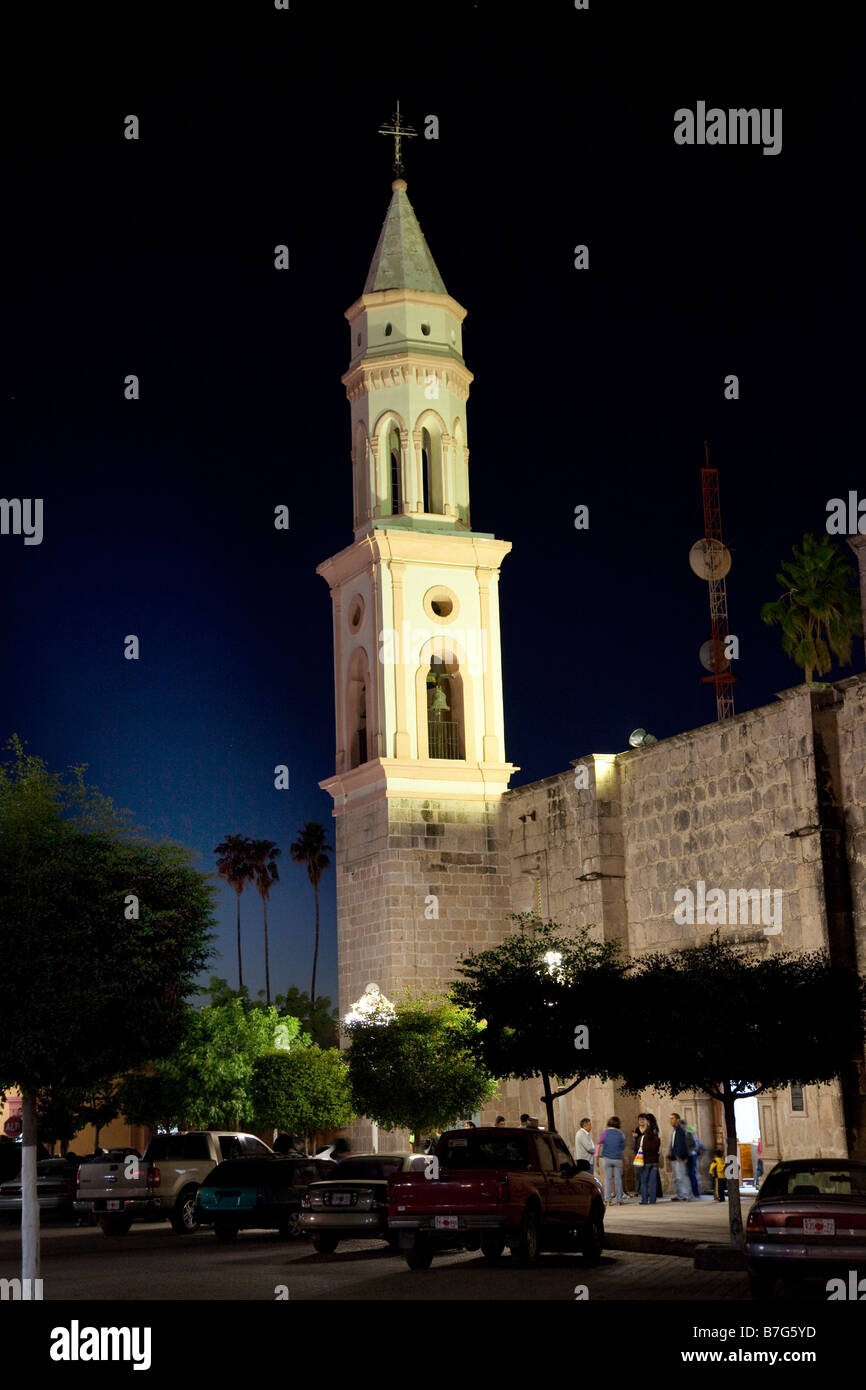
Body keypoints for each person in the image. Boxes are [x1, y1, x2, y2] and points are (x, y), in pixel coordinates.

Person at [598, 1115, 627, 1205]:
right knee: (618, 1179)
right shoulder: (621, 1134)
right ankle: (619, 1200)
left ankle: (607, 1200)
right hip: (617, 1159)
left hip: (607, 1158)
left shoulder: (604, 1133)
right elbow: (623, 1147)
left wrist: (596, 1158)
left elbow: (599, 1144)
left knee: (608, 1179)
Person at [634, 1115, 661, 1204]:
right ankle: (653, 1200)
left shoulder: (642, 1139)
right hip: (654, 1162)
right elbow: (657, 1149)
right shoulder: (657, 1139)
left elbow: (637, 1148)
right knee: (653, 1182)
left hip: (645, 1162)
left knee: (644, 1181)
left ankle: (644, 1200)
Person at [668, 1113, 693, 1201]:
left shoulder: (680, 1131)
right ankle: (680, 1194)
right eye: (670, 1119)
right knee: (676, 1178)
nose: (670, 1120)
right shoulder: (675, 1130)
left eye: (672, 1119)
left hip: (679, 1157)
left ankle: (687, 1195)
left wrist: (679, 1155)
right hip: (674, 1157)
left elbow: (681, 1144)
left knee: (682, 1176)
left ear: (677, 1120)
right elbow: (673, 1144)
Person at [684, 1121, 704, 1197]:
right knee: (691, 1174)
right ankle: (693, 1192)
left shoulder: (689, 1133)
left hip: (692, 1156)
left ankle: (695, 1193)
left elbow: (695, 1146)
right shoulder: (688, 1133)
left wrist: (689, 1152)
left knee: (692, 1174)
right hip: (691, 1156)